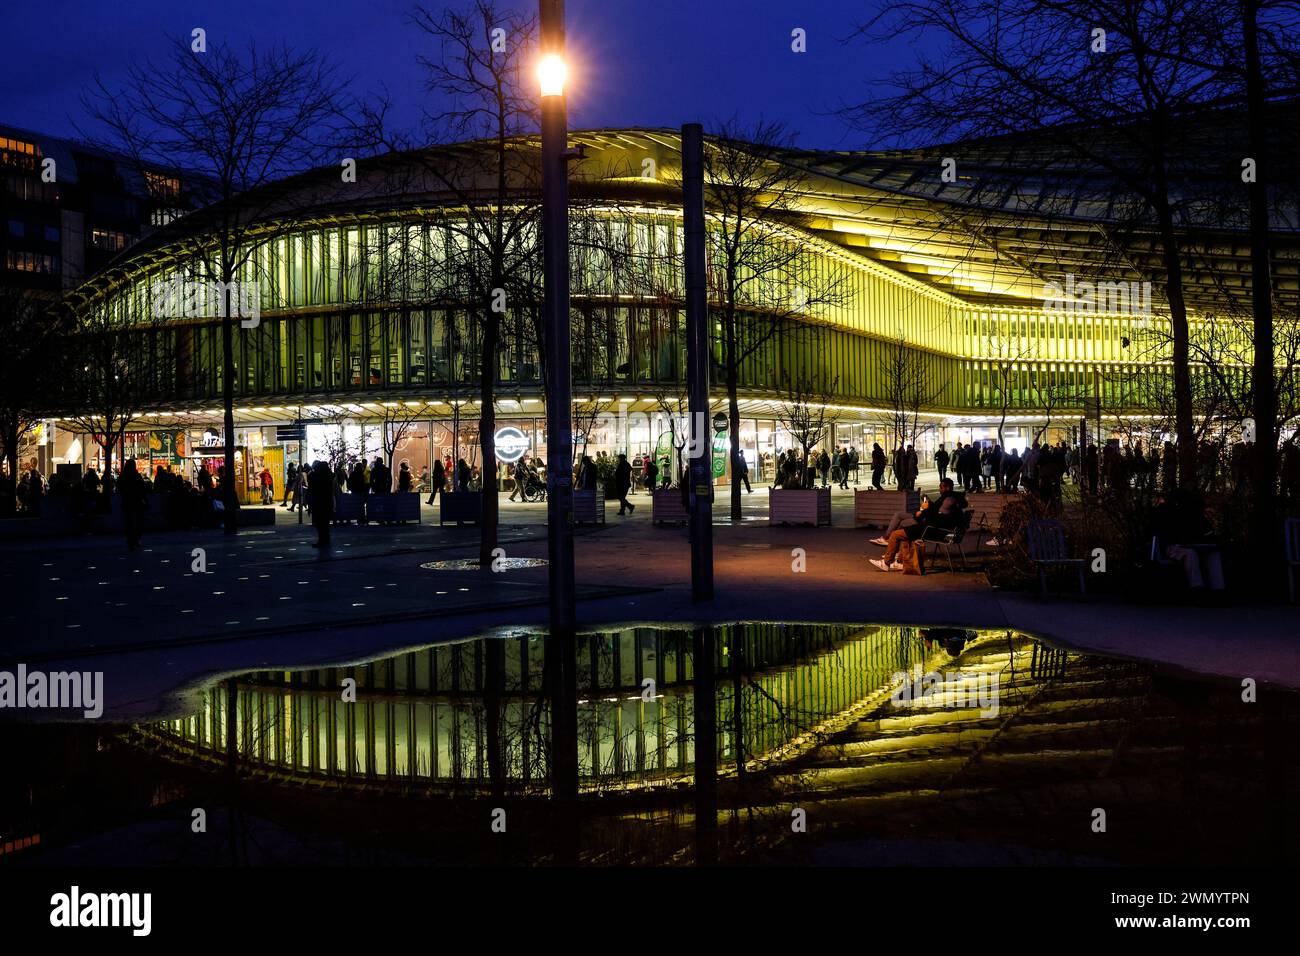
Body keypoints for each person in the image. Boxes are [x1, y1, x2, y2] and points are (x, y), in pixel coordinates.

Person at [869, 478, 967, 571]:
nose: (939, 489)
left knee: (895, 534)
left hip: (931, 530)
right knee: (903, 529)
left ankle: (886, 563)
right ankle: (900, 561)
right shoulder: (955, 500)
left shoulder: (947, 501)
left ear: (947, 488)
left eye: (941, 487)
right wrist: (928, 509)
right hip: (936, 529)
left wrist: (926, 510)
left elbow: (938, 518)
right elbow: (939, 514)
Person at [1150, 490, 1225, 591]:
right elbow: (1166, 536)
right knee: (1190, 554)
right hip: (1172, 547)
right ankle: (1197, 588)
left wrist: (1210, 542)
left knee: (1213, 553)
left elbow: (1208, 535)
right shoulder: (1169, 513)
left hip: (1193, 547)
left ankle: (1218, 590)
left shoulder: (1198, 516)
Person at [119, 458, 147, 550]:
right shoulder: (136, 476)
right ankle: (136, 539)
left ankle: (130, 540)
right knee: (138, 521)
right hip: (136, 501)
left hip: (127, 501)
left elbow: (120, 488)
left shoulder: (123, 476)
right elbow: (142, 488)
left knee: (129, 522)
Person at [308, 460, 335, 548]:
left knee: (320, 524)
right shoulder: (328, 476)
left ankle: (322, 540)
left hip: (319, 503)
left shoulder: (318, 477)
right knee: (324, 524)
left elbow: (313, 489)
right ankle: (325, 540)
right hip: (326, 503)